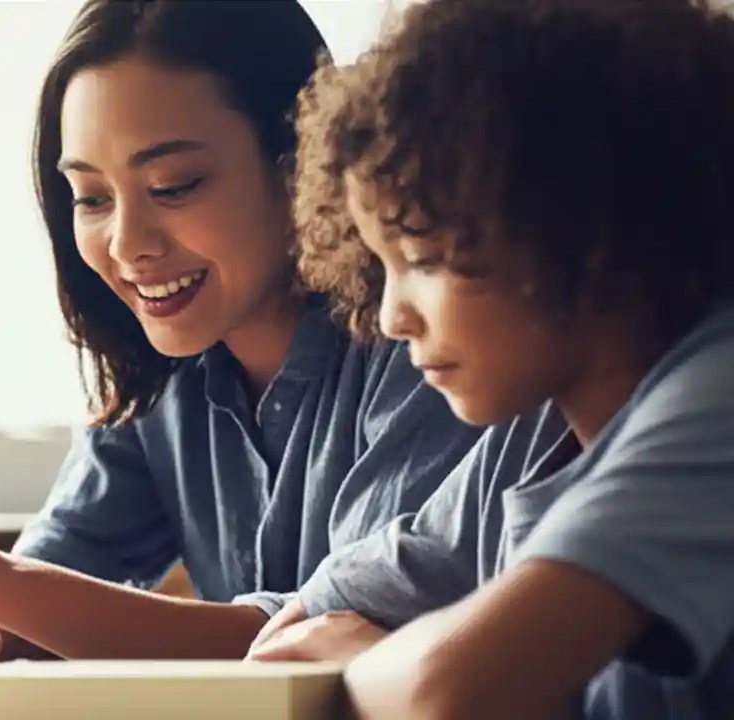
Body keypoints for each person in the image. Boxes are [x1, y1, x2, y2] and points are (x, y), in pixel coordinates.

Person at [0, 0, 477, 685]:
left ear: (303, 163)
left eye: (174, 185)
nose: (127, 245)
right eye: (91, 197)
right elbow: (63, 576)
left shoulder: (432, 346)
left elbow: (325, 640)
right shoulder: (159, 378)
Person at [245, 0, 734, 717]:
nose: (390, 316)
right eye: (382, 266)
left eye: (423, 259)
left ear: (580, 219)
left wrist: (372, 660)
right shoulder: (538, 432)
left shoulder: (718, 399)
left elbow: (446, 690)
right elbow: (303, 623)